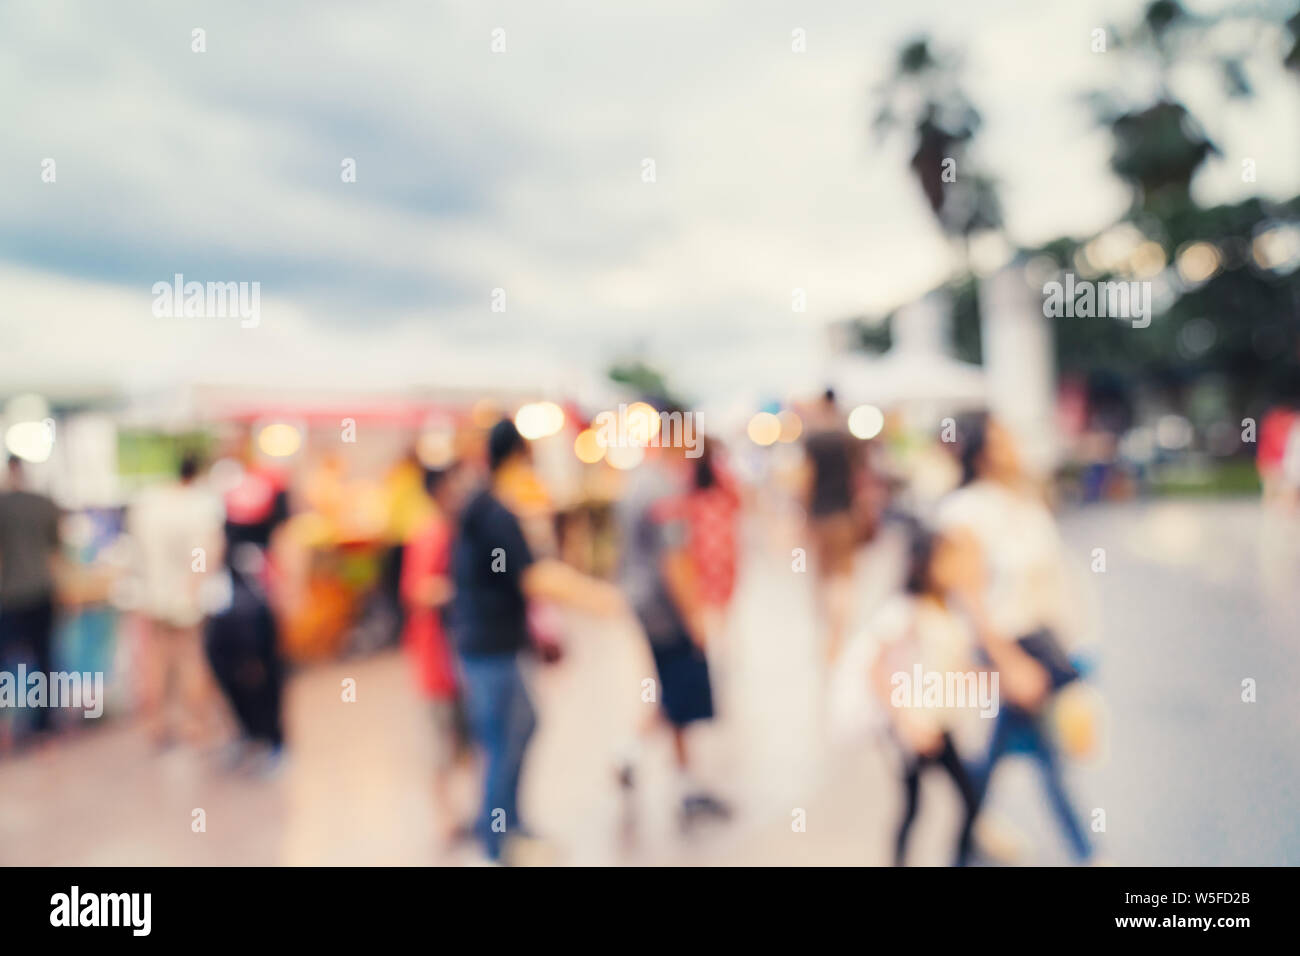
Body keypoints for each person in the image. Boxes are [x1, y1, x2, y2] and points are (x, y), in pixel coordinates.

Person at [450, 418, 622, 864]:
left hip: (490, 643)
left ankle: (509, 826)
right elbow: (532, 576)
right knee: (503, 741)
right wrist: (594, 595)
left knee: (520, 730)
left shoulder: (483, 506)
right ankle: (496, 843)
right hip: (491, 648)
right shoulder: (495, 514)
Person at [938, 413, 1093, 863]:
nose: (1017, 448)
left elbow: (1054, 583)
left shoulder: (1025, 503)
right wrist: (1009, 662)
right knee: (1030, 762)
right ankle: (1086, 852)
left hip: (1041, 649)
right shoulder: (964, 510)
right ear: (983, 452)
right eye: (1005, 440)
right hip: (999, 653)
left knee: (1017, 761)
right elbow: (966, 594)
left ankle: (971, 844)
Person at [615, 408, 731, 830]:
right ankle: (634, 757)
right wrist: (695, 614)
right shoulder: (663, 487)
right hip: (665, 609)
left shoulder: (639, 480)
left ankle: (679, 781)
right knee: (679, 691)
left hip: (644, 602)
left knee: (671, 691)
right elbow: (674, 559)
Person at [867, 526, 981, 866]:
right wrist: (905, 721)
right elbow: (875, 669)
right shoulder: (906, 610)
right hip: (915, 728)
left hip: (942, 724)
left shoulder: (952, 608)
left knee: (969, 801)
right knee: (914, 808)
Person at [127, 453, 225, 748]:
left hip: (154, 594)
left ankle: (155, 724)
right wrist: (194, 587)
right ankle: (197, 724)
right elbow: (207, 552)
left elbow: (138, 552)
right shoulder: (201, 504)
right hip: (187, 596)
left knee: (156, 659)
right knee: (191, 660)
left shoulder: (148, 503)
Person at [400, 462, 473, 845]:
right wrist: (461, 590)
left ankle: (473, 810)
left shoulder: (457, 532)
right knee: (441, 744)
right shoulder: (431, 536)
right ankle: (446, 816)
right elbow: (417, 591)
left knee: (468, 739)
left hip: (459, 656)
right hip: (436, 657)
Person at [0, 455, 62, 743]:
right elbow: (56, 553)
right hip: (41, 592)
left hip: (10, 596)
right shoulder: (43, 504)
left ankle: (7, 725)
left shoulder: (4, 506)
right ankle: (44, 727)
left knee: (6, 663)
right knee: (44, 660)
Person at [802, 389, 863, 661]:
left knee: (824, 574)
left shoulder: (813, 439)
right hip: (844, 513)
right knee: (844, 574)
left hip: (819, 514)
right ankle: (841, 632)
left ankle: (830, 632)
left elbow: (806, 479)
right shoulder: (846, 437)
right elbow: (858, 476)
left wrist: (802, 514)